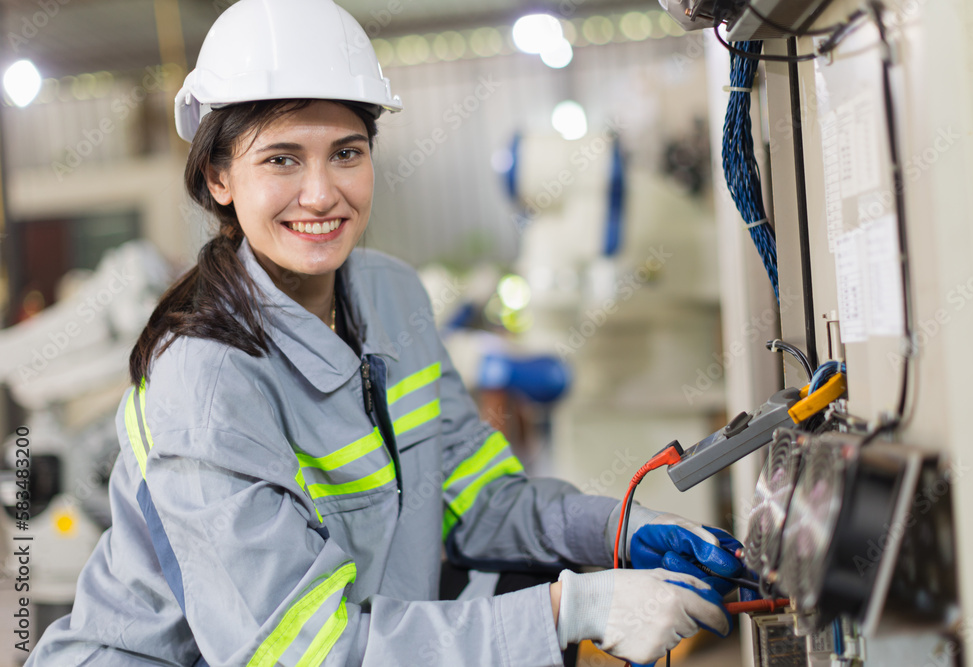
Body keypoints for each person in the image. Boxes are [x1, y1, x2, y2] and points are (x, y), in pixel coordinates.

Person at [26, 1, 745, 665]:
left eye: (346, 152)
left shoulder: (390, 294)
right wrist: (571, 606)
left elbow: (480, 498)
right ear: (219, 175)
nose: (321, 192)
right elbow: (298, 650)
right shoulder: (205, 377)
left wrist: (617, 529)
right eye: (281, 158)